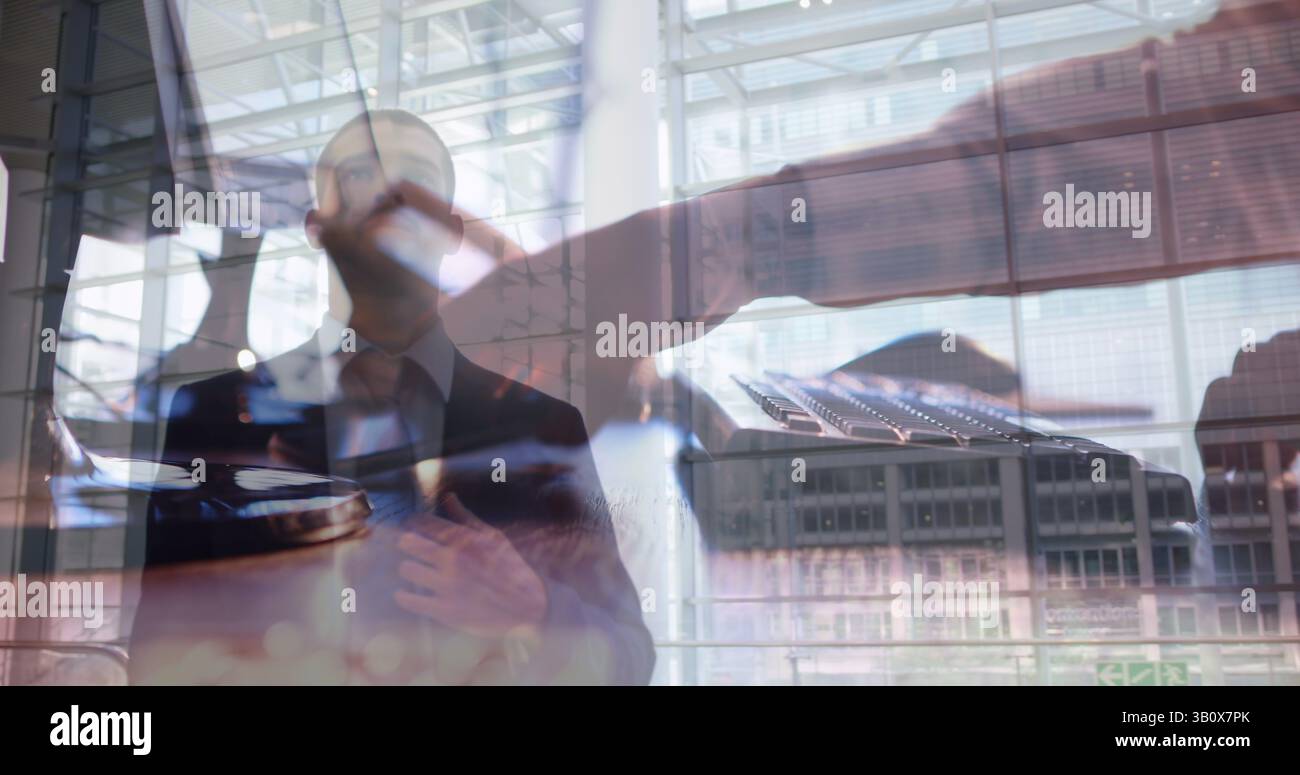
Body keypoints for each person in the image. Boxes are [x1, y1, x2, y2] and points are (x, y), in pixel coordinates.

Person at [128, 110, 655, 685]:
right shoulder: (209, 418)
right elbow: (155, 664)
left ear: (452, 231)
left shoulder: (546, 424)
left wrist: (536, 613)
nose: (391, 193)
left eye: (415, 179)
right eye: (361, 175)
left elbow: (628, 659)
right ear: (316, 226)